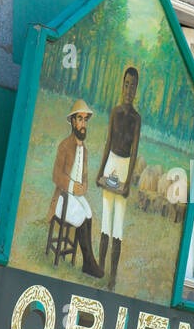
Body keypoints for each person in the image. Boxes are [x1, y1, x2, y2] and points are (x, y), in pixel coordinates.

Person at [96, 66, 142, 288]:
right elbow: (108, 142)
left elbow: (134, 151)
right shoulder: (115, 112)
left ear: (136, 89)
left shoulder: (136, 119)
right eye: (126, 84)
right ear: (122, 86)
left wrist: (128, 182)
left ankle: (113, 275)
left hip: (124, 166)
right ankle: (100, 268)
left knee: (118, 223)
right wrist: (100, 172)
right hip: (111, 164)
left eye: (133, 86)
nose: (129, 90)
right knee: (106, 217)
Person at [50, 99, 103, 278]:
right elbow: (56, 175)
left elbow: (84, 178)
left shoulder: (84, 150)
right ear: (73, 121)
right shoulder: (65, 146)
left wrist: (83, 187)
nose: (83, 124)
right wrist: (72, 186)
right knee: (81, 215)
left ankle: (89, 261)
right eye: (80, 119)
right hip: (63, 197)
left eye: (85, 120)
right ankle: (89, 263)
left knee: (89, 213)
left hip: (76, 196)